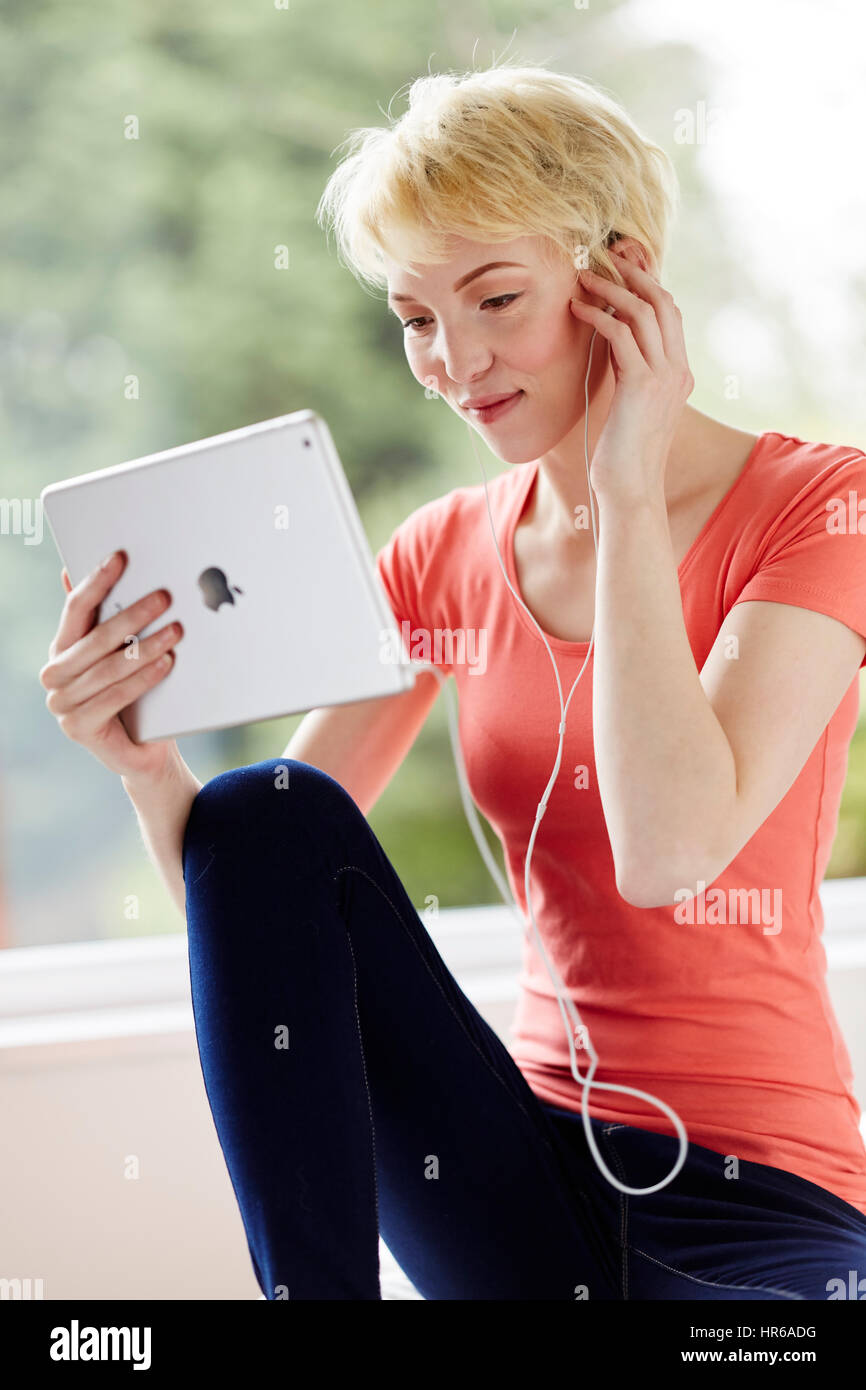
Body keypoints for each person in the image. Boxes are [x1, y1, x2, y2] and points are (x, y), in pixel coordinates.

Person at [40, 61, 866, 1300]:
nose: (452, 359)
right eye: (415, 317)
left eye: (492, 298)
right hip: (515, 1179)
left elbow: (669, 850)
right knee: (264, 804)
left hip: (768, 1211)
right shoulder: (439, 553)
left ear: (620, 280)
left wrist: (625, 492)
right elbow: (261, 908)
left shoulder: (817, 507)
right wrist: (147, 767)